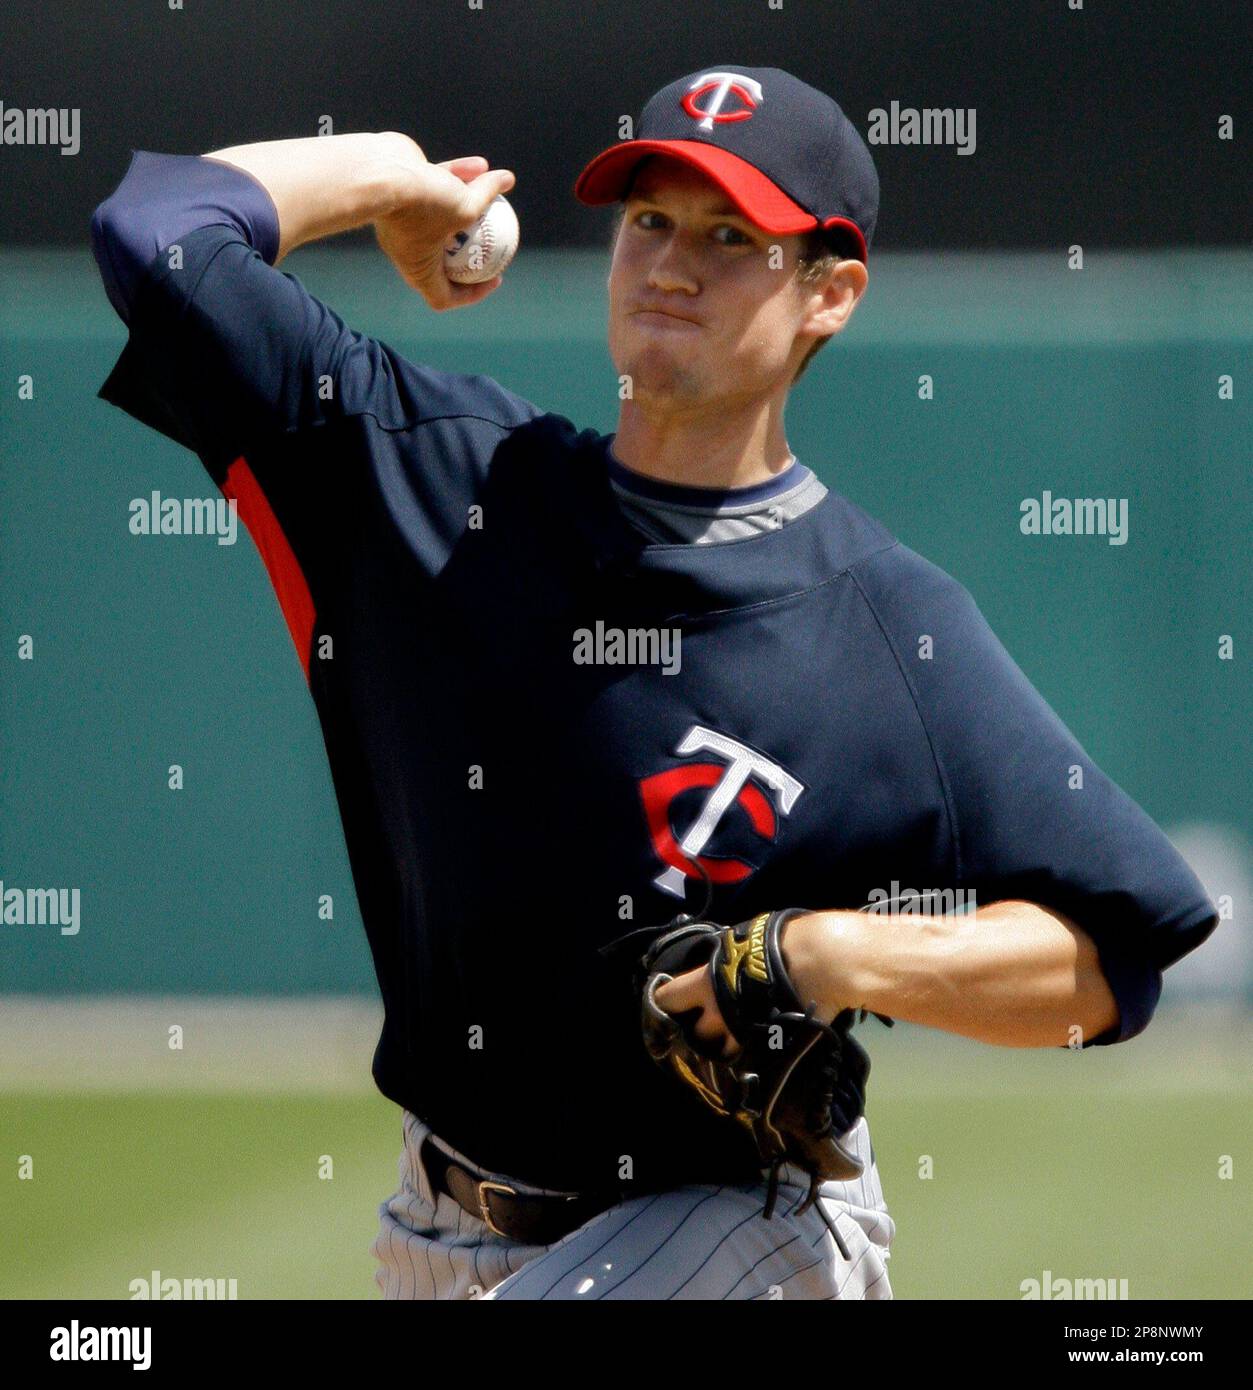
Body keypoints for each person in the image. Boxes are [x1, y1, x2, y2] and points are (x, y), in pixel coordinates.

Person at [90, 65, 1218, 1301]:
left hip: (727, 1229)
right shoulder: (434, 481)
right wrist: (395, 181)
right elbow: (157, 238)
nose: (672, 265)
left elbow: (1110, 960)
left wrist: (834, 952)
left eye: (731, 237)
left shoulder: (888, 630)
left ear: (828, 293)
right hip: (432, 1226)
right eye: (649, 221)